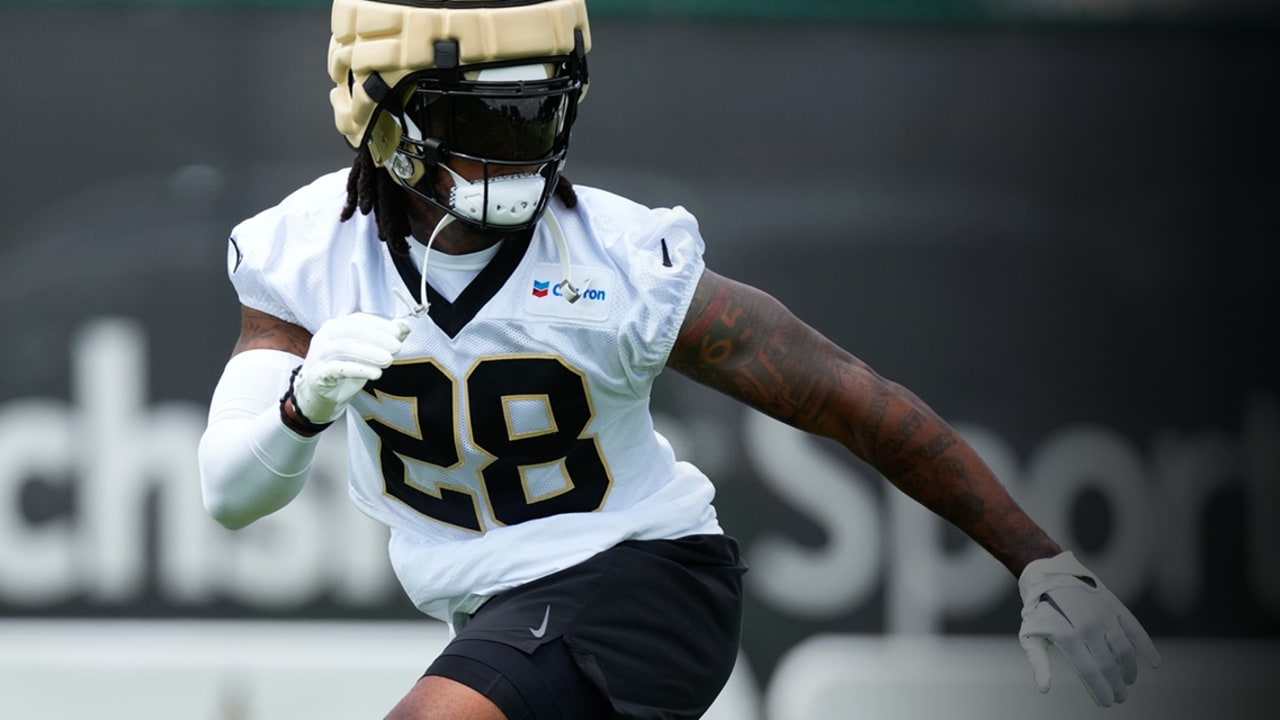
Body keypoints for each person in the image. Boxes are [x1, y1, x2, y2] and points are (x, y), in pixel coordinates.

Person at [197, 1, 1162, 718]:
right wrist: (302, 404)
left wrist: (1039, 561)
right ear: (383, 115)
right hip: (499, 616)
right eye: (487, 123)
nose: (522, 155)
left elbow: (848, 399)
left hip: (641, 583)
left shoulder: (620, 264)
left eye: (540, 118)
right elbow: (230, 496)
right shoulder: (304, 252)